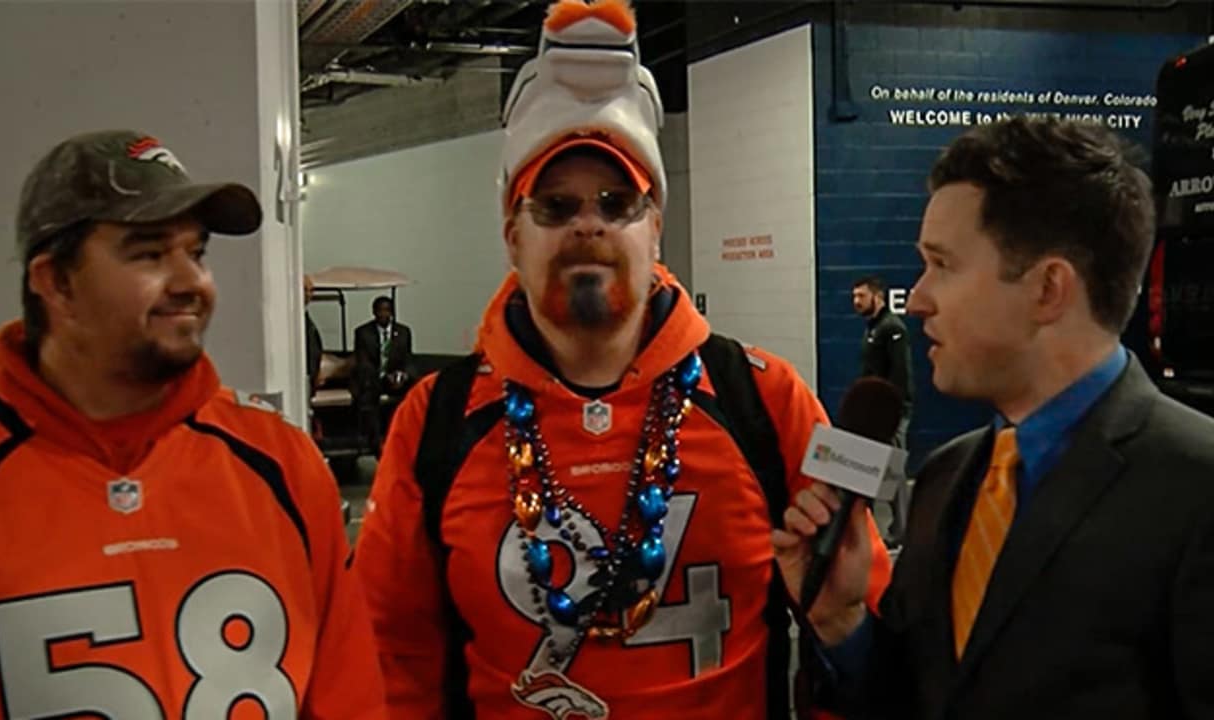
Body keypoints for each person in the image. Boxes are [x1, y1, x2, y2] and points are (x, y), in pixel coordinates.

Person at [355, 1, 891, 718]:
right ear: (513, 235)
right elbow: (392, 659)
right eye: (553, 205)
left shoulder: (766, 400)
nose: (588, 223)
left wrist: (843, 627)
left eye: (617, 201)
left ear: (656, 228)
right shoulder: (437, 421)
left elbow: (872, 637)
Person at [0, 129, 385, 719]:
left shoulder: (279, 460)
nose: (190, 281)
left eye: (195, 253)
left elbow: (349, 699)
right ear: (55, 282)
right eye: (148, 253)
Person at [774, 117, 1214, 719]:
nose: (920, 297)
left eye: (942, 264)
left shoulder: (1196, 489)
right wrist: (841, 621)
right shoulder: (945, 478)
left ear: (1047, 289)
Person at [851, 274, 913, 546]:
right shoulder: (872, 328)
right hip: (874, 409)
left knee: (894, 471)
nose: (856, 301)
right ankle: (882, 528)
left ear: (877, 297)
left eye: (861, 296)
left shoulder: (892, 328)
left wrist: (893, 412)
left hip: (892, 410)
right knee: (877, 468)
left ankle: (903, 531)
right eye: (854, 296)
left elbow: (900, 373)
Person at [352, 295, 412, 451]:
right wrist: (383, 376)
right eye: (380, 311)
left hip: (395, 377)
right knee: (369, 396)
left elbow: (407, 359)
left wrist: (401, 375)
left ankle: (405, 437)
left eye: (386, 311)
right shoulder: (363, 332)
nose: (383, 314)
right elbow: (363, 361)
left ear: (391, 312)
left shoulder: (403, 332)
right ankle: (376, 442)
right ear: (374, 312)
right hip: (373, 378)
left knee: (412, 390)